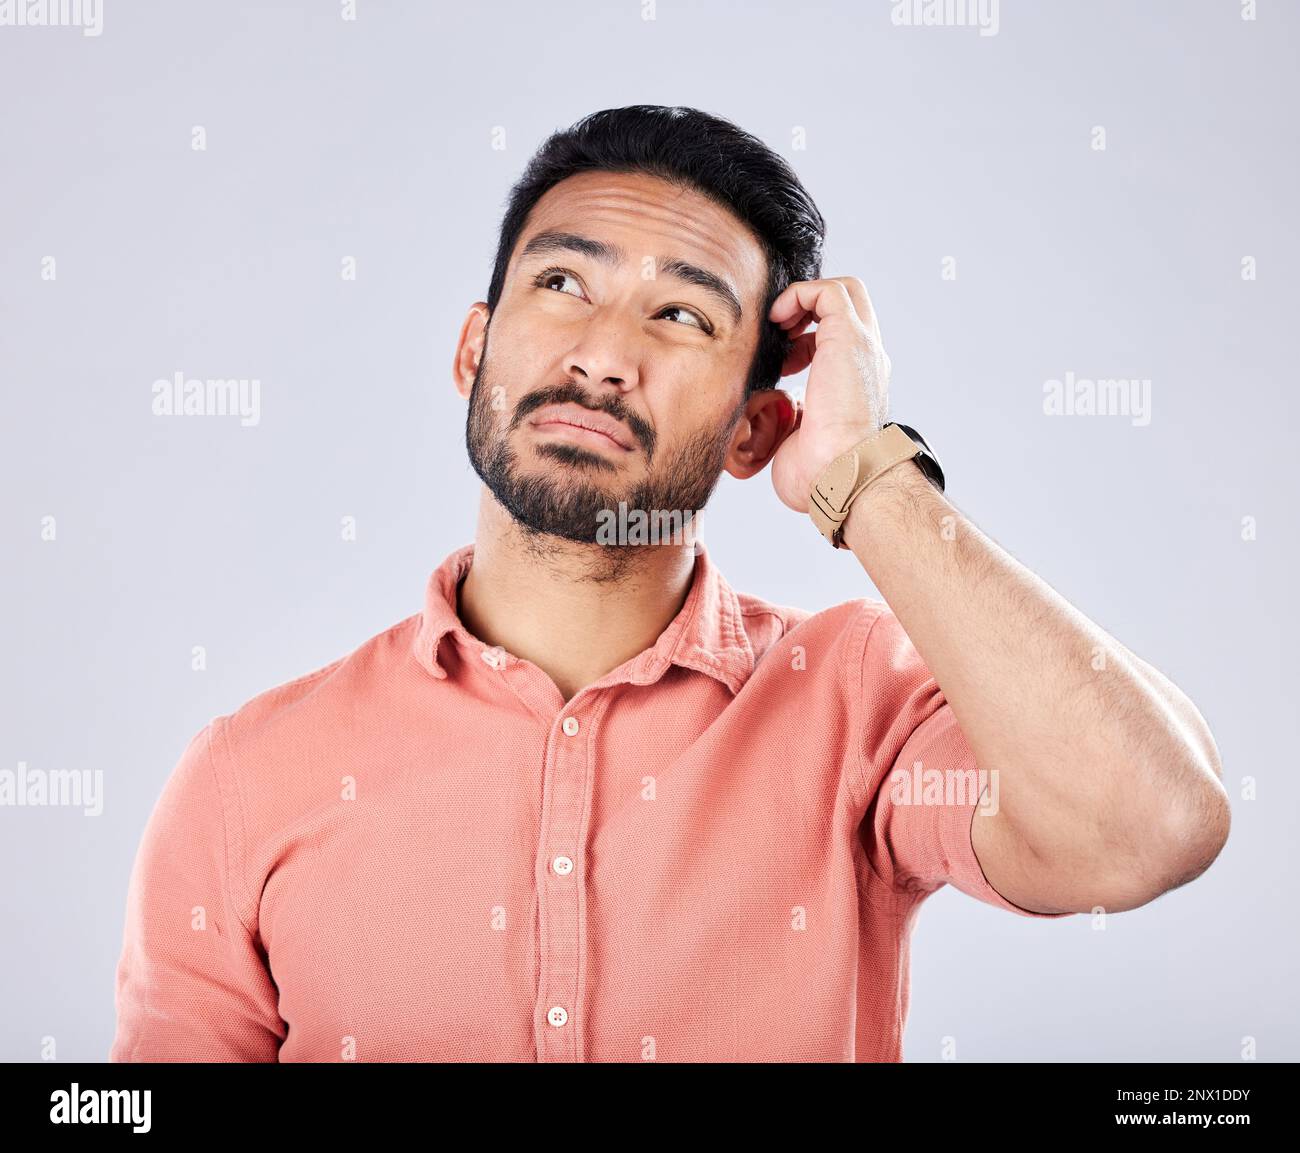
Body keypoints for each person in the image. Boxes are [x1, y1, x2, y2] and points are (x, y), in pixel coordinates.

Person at [110, 105, 1228, 1063]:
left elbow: (1154, 821)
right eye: (561, 283)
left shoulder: (857, 703)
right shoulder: (245, 777)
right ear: (472, 352)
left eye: (681, 314)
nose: (602, 355)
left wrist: (867, 475)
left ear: (753, 427)